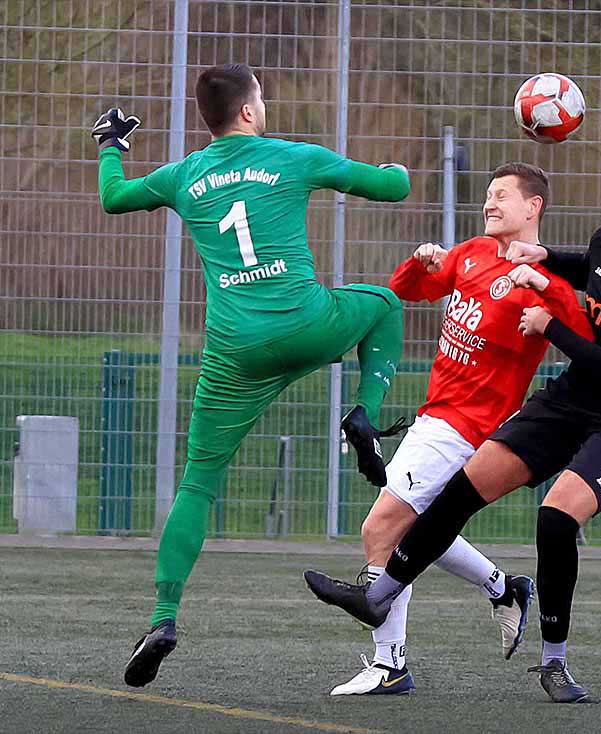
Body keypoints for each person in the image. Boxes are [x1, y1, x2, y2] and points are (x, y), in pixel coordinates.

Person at [305, 168, 601, 703]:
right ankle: (384, 596)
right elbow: (595, 268)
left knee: (556, 516)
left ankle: (554, 662)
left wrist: (549, 322)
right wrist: (545, 261)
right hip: (574, 394)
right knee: (461, 491)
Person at [93, 63, 412, 688]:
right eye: (260, 97)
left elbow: (113, 198)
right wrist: (400, 171)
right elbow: (390, 188)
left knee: (198, 485)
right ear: (248, 110)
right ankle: (364, 413)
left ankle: (163, 617)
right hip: (307, 324)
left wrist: (110, 144)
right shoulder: (291, 157)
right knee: (383, 305)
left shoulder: (184, 173)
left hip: (234, 351)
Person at [327, 163, 594, 696]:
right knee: (415, 525)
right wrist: (421, 260)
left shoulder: (545, 282)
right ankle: (504, 588)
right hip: (435, 415)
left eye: (501, 197)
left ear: (533, 207)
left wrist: (545, 290)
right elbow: (406, 290)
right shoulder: (472, 252)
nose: (489, 204)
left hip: (470, 428)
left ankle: (389, 664)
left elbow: (585, 338)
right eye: (487, 196)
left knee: (381, 529)